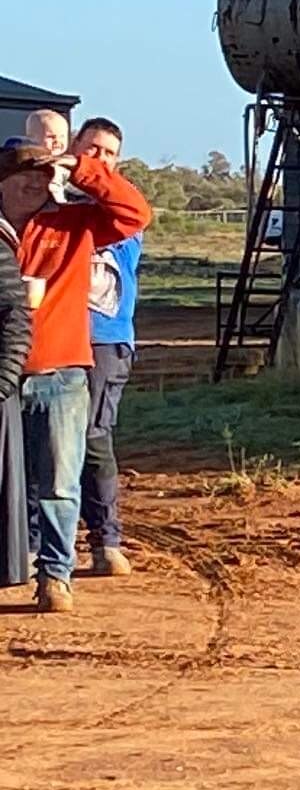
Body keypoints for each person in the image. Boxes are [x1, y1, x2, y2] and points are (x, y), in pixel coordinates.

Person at [10, 106, 147, 611]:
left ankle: (56, 575)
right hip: (6, 373)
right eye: (24, 174)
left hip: (63, 368)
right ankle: (16, 560)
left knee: (61, 481)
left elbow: (134, 214)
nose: (35, 183)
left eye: (43, 174)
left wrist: (83, 168)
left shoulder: (74, 224)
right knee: (13, 480)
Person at [72, 120, 139, 577]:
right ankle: (34, 543)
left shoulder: (121, 206)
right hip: (53, 338)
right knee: (43, 440)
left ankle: (106, 540)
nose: (99, 157)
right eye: (92, 147)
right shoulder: (53, 200)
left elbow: (128, 215)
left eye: (109, 152)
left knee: (93, 437)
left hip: (105, 338)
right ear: (76, 146)